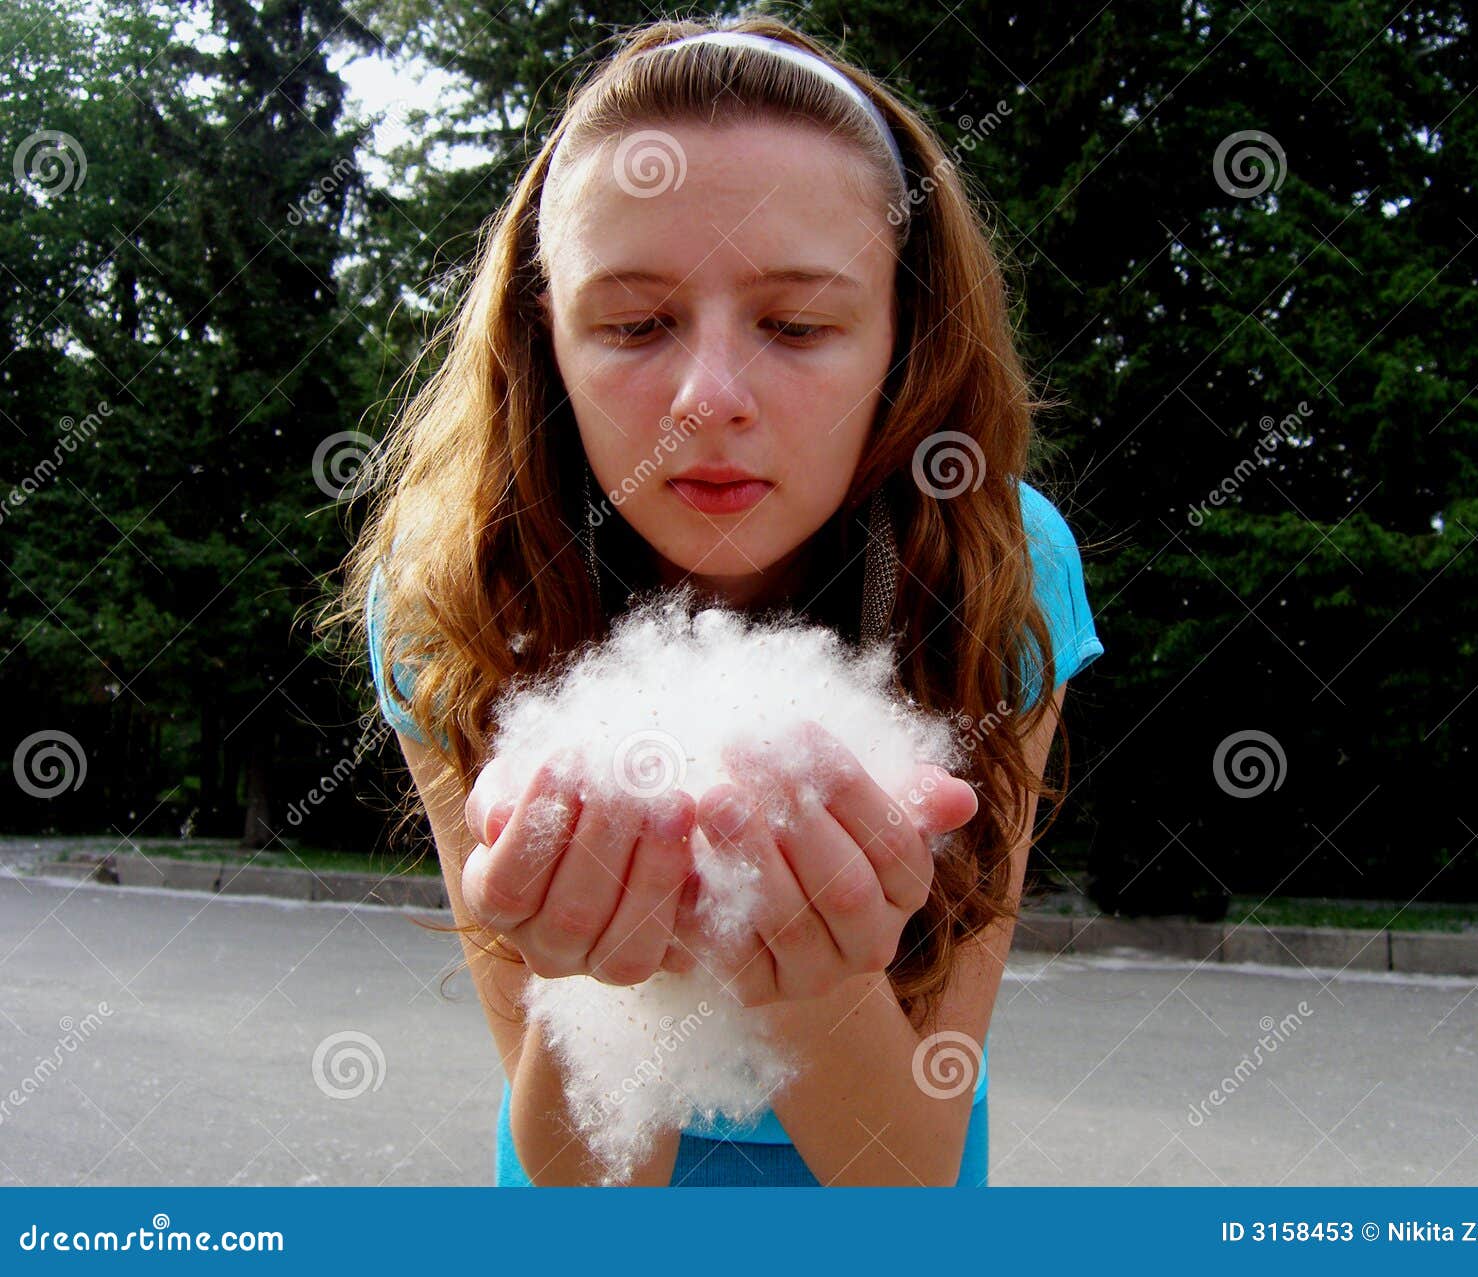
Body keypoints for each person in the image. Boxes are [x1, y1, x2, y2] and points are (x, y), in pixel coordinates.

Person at [336, 15, 1105, 1187]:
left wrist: (813, 972)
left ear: (903, 339)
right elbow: (573, 1175)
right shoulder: (451, 588)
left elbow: (906, 1171)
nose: (708, 398)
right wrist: (596, 969)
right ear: (547, 335)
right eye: (635, 323)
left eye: (796, 325)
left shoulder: (1002, 559)